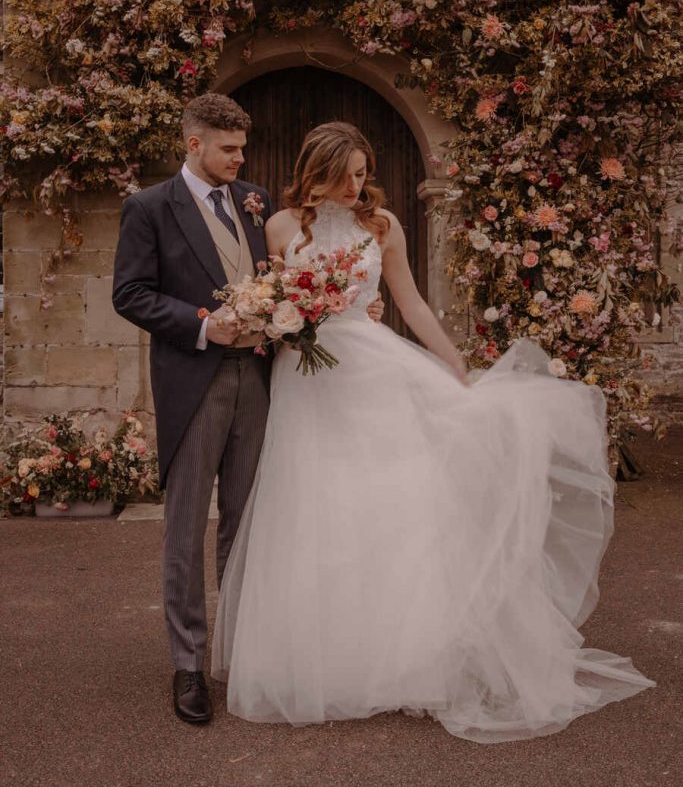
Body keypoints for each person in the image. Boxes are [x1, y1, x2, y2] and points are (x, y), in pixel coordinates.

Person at [211, 120, 654, 743]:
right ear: (317, 174)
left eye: (363, 174)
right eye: (346, 177)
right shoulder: (279, 228)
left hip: (371, 368)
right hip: (305, 382)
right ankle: (326, 661)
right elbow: (263, 298)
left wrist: (453, 363)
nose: (358, 186)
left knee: (396, 505)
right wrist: (283, 321)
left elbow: (410, 301)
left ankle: (406, 658)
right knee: (315, 510)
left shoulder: (382, 227)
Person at [112, 93, 386, 725]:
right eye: (229, 149)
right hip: (193, 381)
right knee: (186, 527)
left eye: (243, 148)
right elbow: (130, 294)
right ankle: (189, 666)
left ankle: (241, 651)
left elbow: (296, 280)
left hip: (264, 381)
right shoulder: (150, 208)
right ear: (195, 145)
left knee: (249, 520)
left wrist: (343, 310)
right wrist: (205, 324)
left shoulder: (255, 202)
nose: (241, 159)